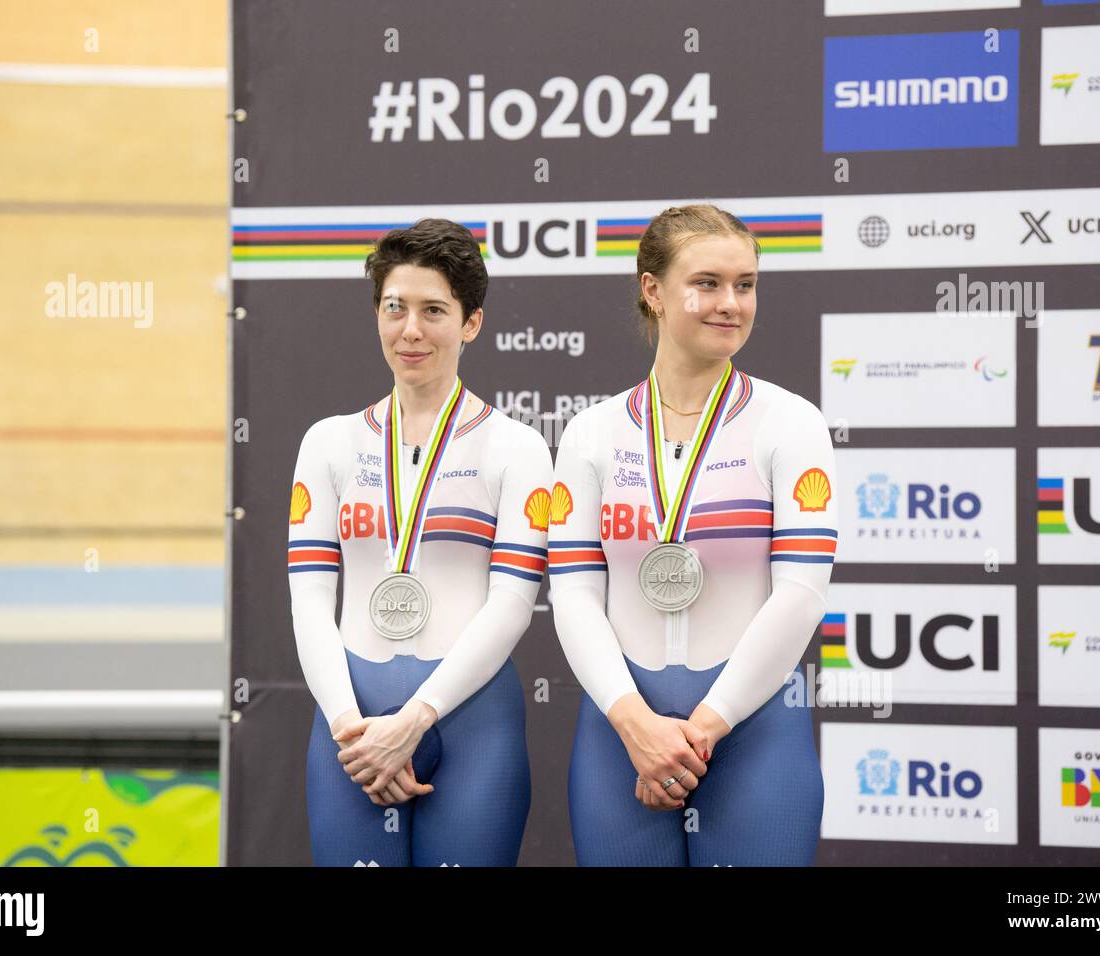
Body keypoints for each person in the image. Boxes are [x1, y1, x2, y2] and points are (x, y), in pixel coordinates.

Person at [548, 204, 837, 866]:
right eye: (706, 282)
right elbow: (573, 596)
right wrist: (636, 725)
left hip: (753, 730)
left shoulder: (791, 424)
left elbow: (799, 597)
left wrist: (701, 732)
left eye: (746, 283)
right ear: (652, 290)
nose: (730, 303)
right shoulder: (591, 432)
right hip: (619, 731)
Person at [288, 218, 550, 866]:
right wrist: (355, 730)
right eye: (394, 308)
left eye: (434, 310)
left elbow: (513, 605)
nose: (411, 330)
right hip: (350, 726)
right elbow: (310, 601)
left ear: (471, 322)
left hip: (469, 721)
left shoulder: (517, 447)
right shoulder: (328, 443)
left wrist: (412, 723)